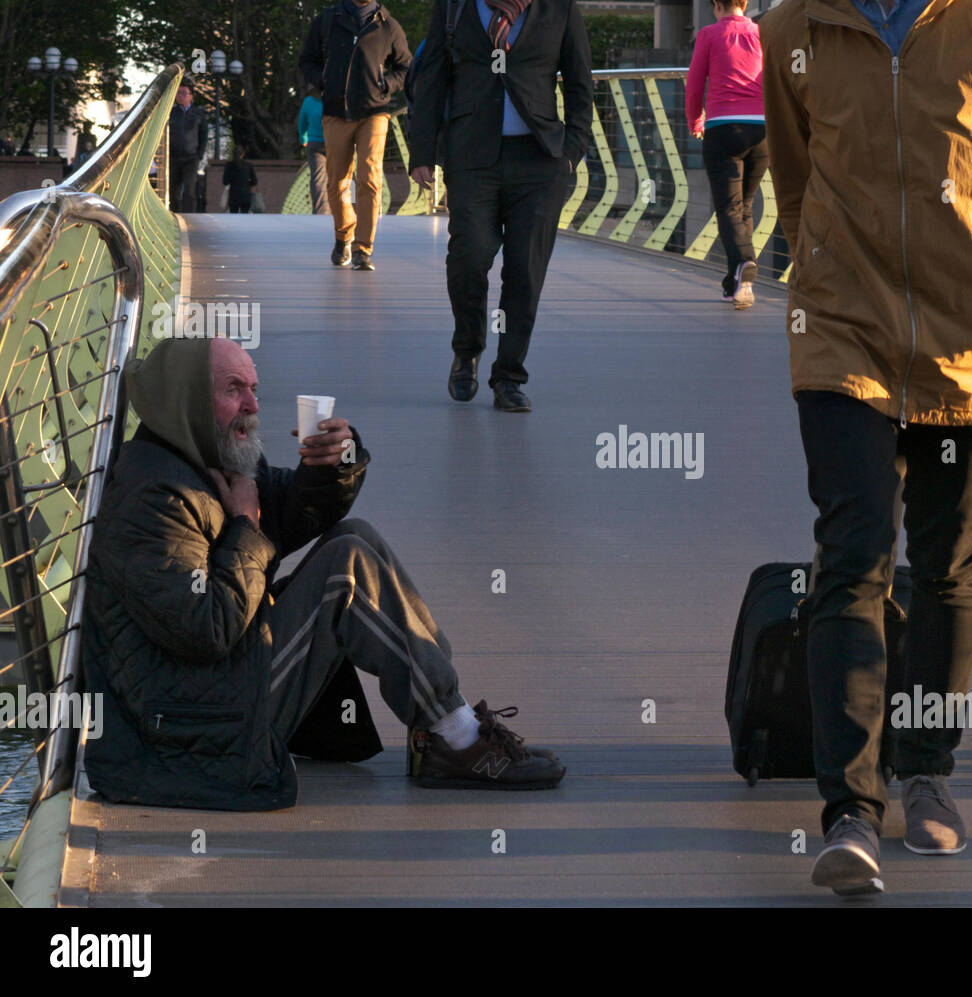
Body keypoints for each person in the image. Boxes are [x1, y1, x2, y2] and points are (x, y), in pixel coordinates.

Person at [760, 0, 972, 895]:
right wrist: (817, 267)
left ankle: (926, 767)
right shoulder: (795, 26)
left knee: (946, 560)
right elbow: (794, 174)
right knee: (853, 553)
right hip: (842, 336)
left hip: (966, 339)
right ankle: (850, 808)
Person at [81, 336, 565, 811]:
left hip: (213, 694)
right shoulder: (154, 498)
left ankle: (445, 724)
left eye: (255, 389)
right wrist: (246, 526)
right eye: (233, 390)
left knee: (355, 536)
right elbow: (206, 630)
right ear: (186, 400)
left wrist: (342, 457)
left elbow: (299, 509)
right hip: (185, 730)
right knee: (343, 570)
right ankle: (454, 739)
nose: (252, 405)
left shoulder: (207, 458)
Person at [408, 0, 594, 413]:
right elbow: (432, 76)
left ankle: (509, 376)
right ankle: (468, 348)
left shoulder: (559, 8)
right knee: (469, 256)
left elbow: (581, 81)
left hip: (540, 161)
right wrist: (422, 151)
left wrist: (571, 152)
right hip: (472, 157)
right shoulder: (454, 6)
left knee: (525, 272)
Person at [299, 0, 412, 271]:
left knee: (370, 178)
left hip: (374, 112)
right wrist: (323, 81)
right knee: (336, 182)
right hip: (336, 112)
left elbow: (406, 68)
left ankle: (363, 249)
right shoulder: (327, 20)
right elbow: (307, 61)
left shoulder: (388, 26)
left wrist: (387, 84)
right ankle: (343, 236)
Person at [686, 0, 767, 309]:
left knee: (728, 208)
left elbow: (694, 85)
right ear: (745, 4)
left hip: (722, 128)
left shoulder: (708, 35)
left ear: (716, 5)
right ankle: (735, 283)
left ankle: (745, 262)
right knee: (744, 206)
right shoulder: (762, 33)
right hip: (761, 129)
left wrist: (696, 120)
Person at [168, 80, 209, 213]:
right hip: (173, 157)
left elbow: (204, 136)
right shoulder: (171, 113)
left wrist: (199, 155)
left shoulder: (198, 114)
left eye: (184, 93)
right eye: (178, 93)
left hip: (191, 157)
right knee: (173, 190)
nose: (180, 96)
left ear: (191, 96)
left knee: (189, 189)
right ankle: (175, 215)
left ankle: (189, 215)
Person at [298, 86, 330, 214]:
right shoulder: (336, 99)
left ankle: (321, 210)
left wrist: (304, 138)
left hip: (315, 143)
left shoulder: (308, 101)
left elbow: (302, 123)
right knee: (344, 176)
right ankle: (347, 207)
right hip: (335, 142)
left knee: (318, 178)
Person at [222, 145, 259, 213]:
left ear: (233, 153)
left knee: (234, 216)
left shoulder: (229, 165)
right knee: (244, 216)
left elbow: (225, 182)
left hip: (233, 195)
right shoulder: (248, 165)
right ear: (243, 154)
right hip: (246, 194)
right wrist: (248, 184)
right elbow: (255, 181)